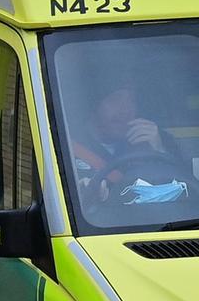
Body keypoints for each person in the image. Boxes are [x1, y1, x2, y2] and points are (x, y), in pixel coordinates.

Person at [70, 75, 179, 204]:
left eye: (131, 100)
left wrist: (160, 152)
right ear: (94, 105)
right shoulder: (65, 145)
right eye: (115, 100)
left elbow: (188, 188)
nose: (126, 110)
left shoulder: (154, 138)